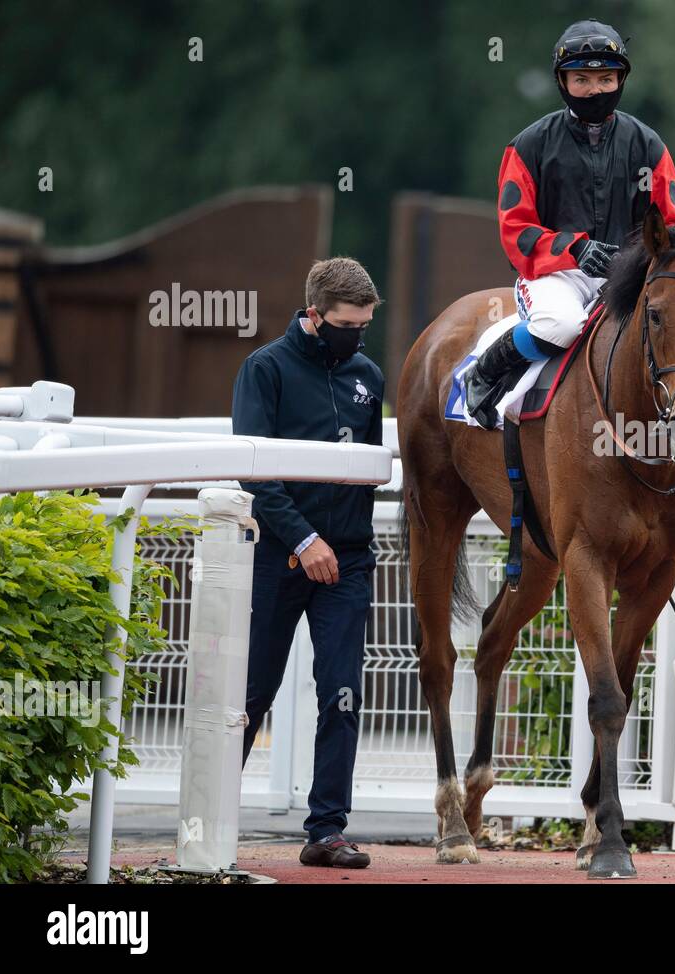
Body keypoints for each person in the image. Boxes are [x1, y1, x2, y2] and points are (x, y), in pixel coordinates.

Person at [231, 257, 386, 869]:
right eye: (349, 325)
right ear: (315, 315)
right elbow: (256, 471)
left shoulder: (368, 375)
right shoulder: (264, 368)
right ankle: (207, 818)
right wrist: (302, 540)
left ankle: (326, 831)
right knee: (251, 692)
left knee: (343, 692)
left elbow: (371, 466)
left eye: (366, 325)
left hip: (347, 561)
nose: (358, 336)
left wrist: (337, 544)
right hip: (280, 557)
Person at [463, 17, 675, 428]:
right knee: (562, 324)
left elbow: (674, 226)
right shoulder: (529, 145)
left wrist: (639, 261)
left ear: (621, 80)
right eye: (581, 79)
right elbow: (516, 229)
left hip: (629, 275)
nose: (595, 89)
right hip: (555, 275)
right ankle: (487, 369)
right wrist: (575, 249)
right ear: (562, 82)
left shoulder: (649, 145)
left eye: (606, 78)